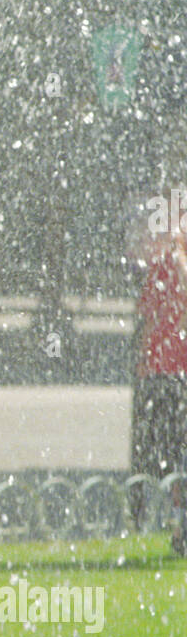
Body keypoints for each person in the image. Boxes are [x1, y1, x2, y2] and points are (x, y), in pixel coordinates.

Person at [131, 191, 187, 543]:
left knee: (168, 449)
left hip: (163, 370)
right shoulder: (173, 265)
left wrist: (141, 357)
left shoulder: (165, 266)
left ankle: (176, 519)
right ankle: (180, 522)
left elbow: (149, 317)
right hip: (176, 369)